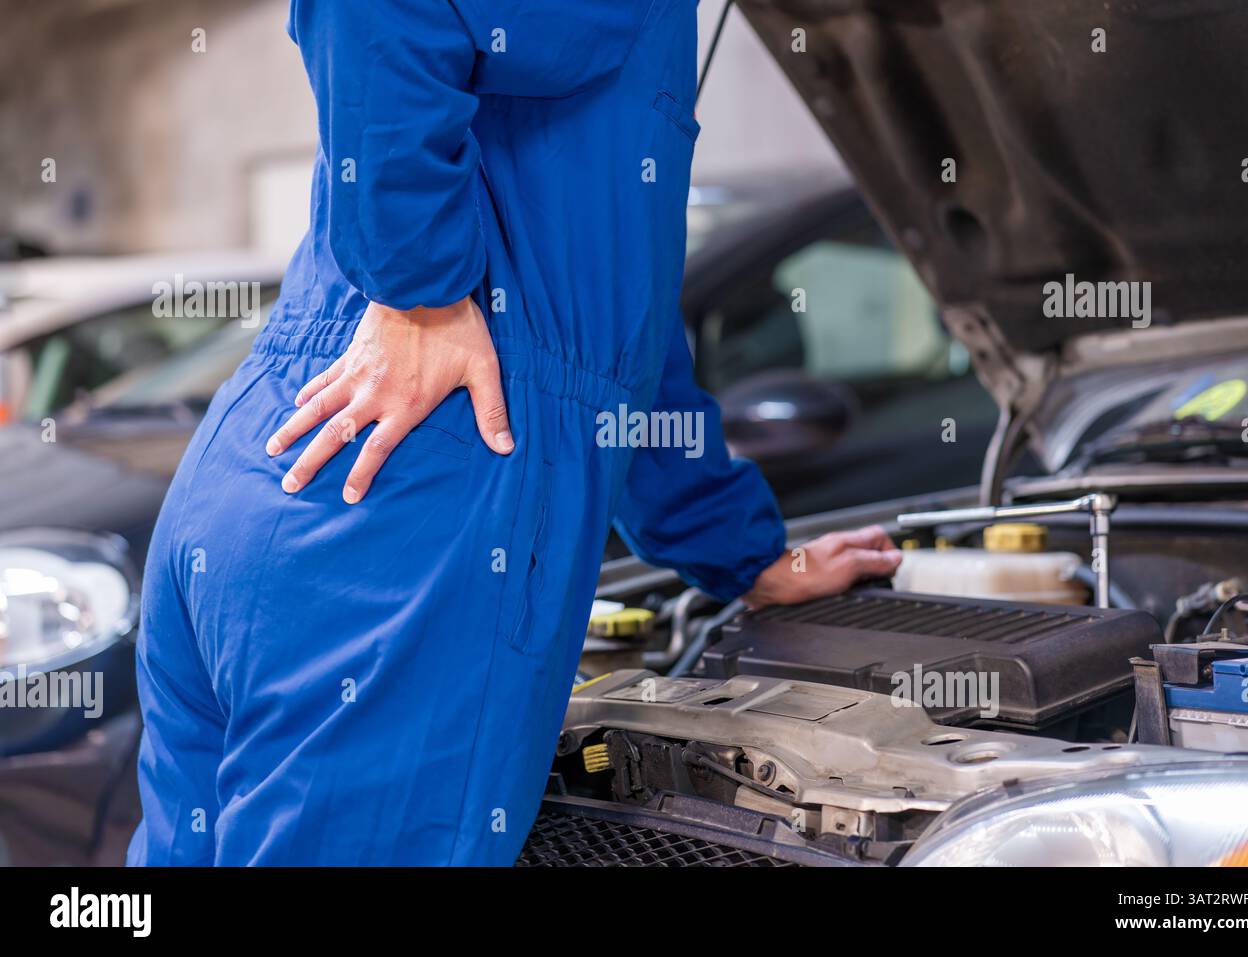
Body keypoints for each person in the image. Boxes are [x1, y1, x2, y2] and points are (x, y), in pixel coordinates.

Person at [127, 0, 901, 866]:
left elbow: (622, 357)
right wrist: (423, 294)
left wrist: (742, 554)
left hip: (276, 473)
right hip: (405, 506)